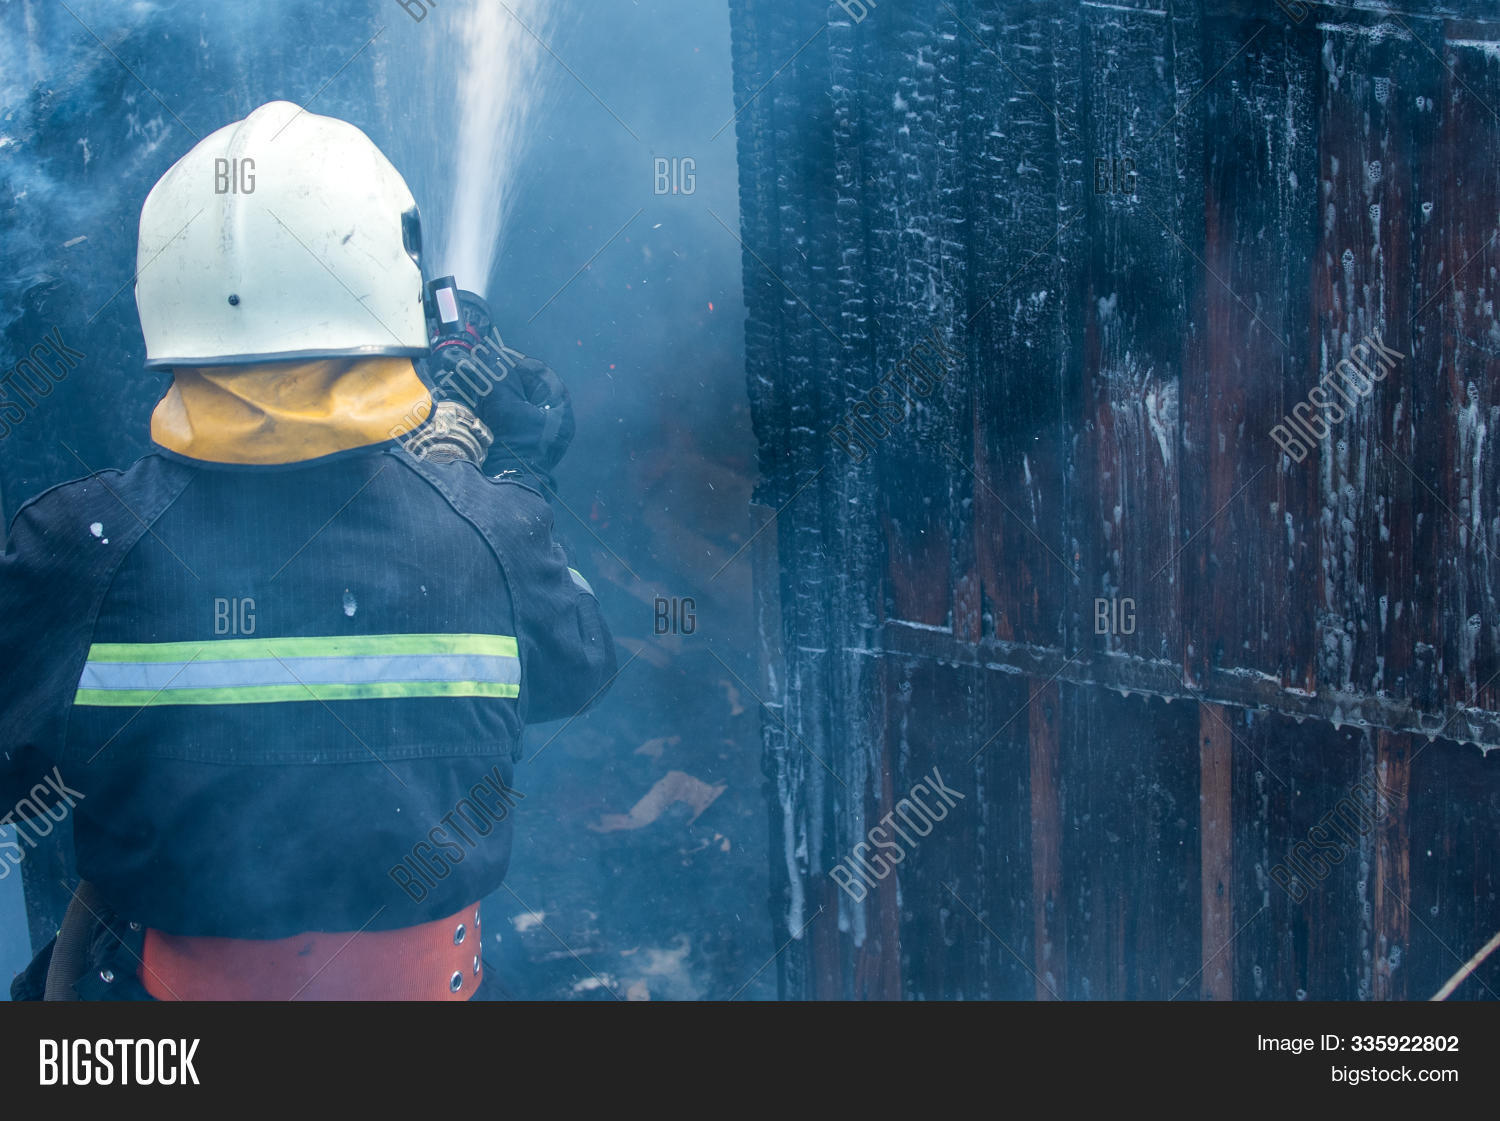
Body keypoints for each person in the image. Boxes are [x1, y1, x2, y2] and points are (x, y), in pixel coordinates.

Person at [0, 101, 615, 1000]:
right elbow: (578, 667)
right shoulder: (492, 534)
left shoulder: (75, 547)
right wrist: (505, 472)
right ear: (384, 284)